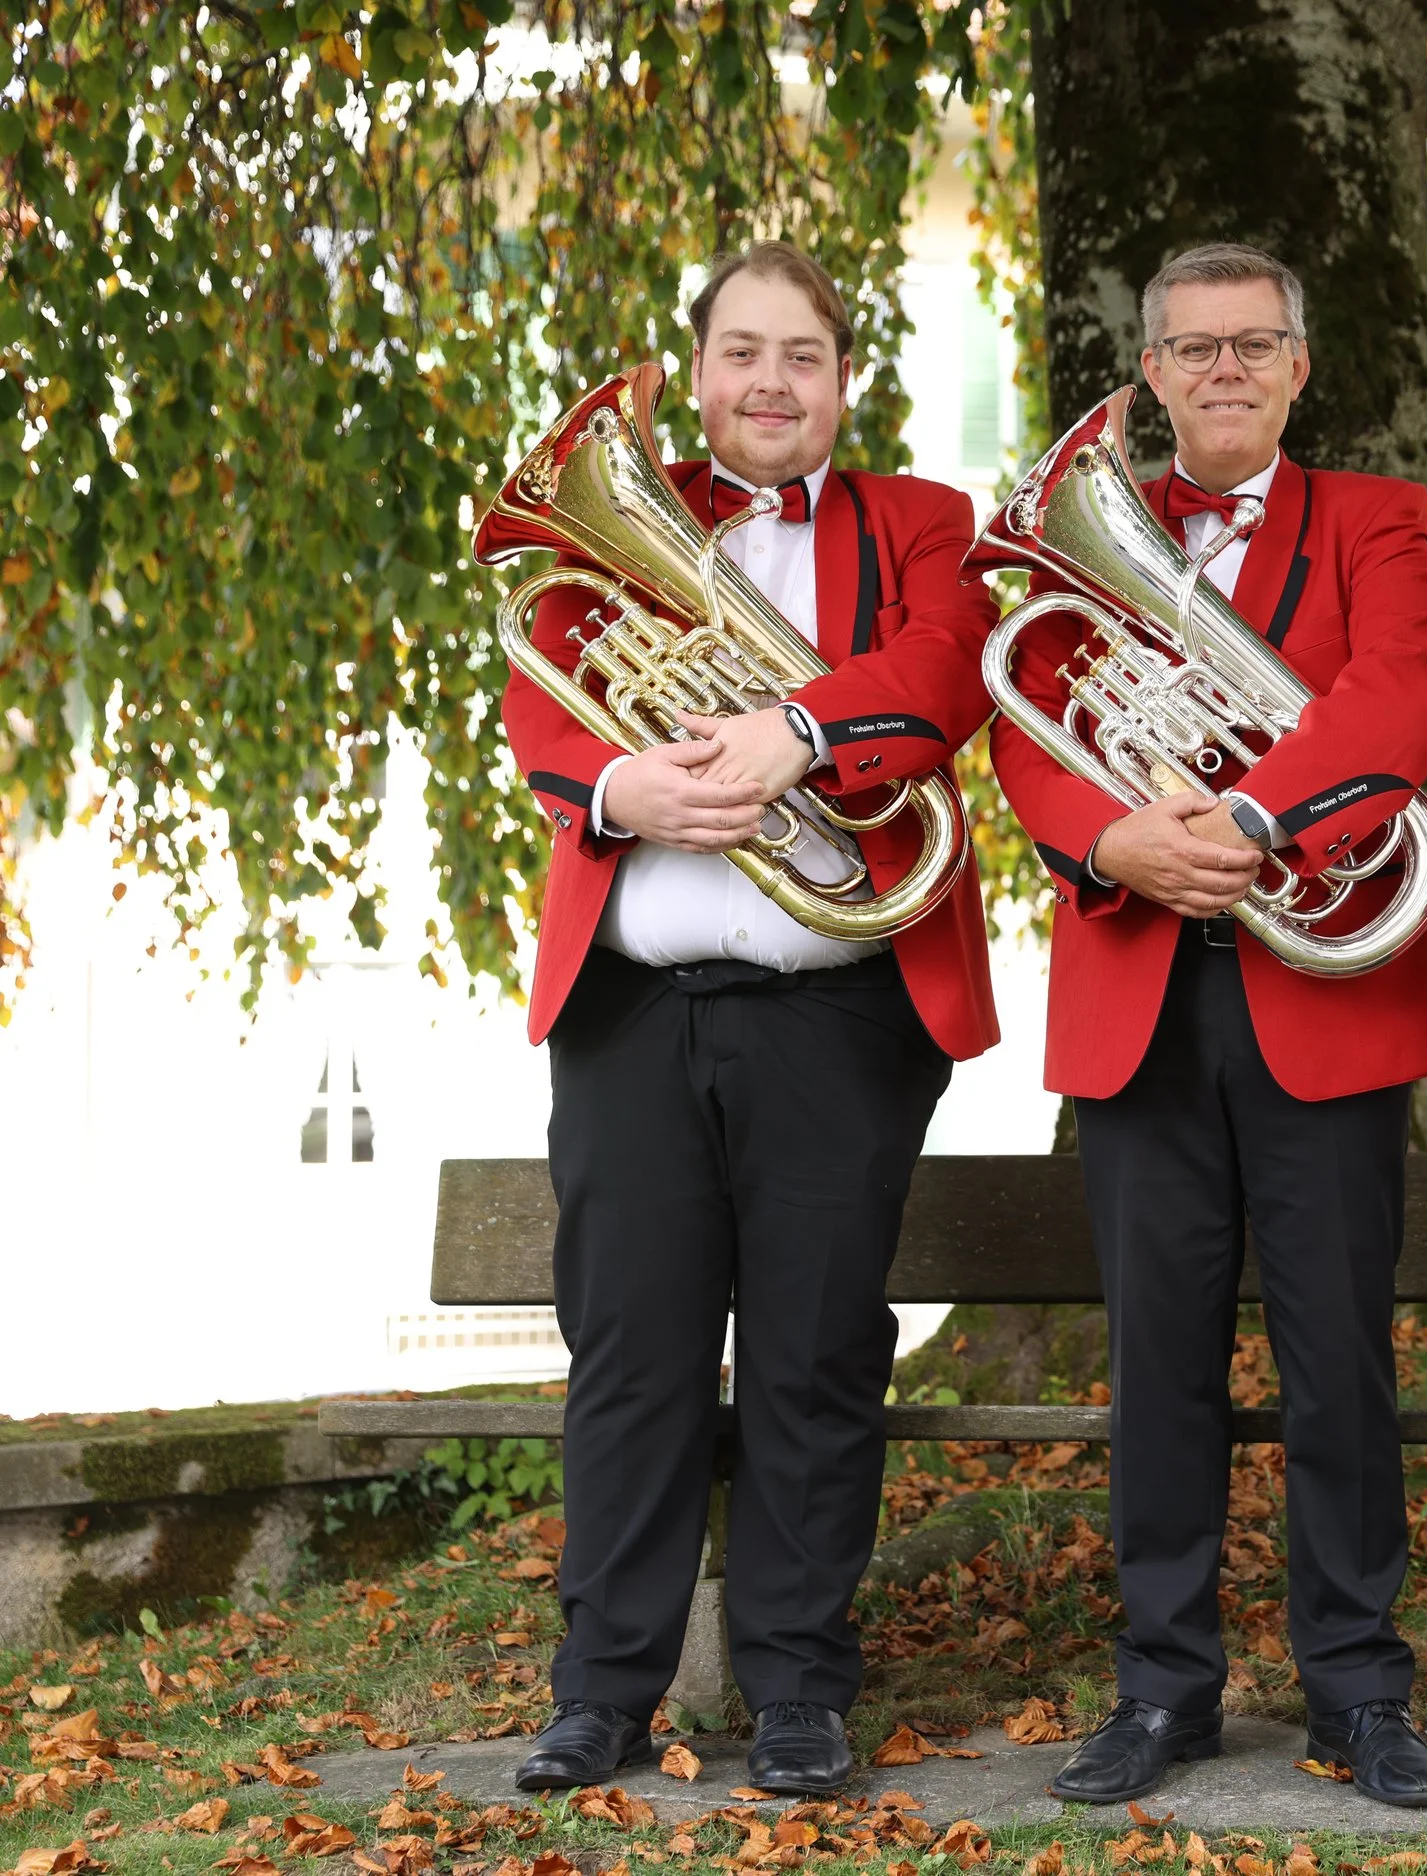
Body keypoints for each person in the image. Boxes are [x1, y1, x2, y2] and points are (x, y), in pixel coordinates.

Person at [500, 240, 1000, 1798]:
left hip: (836, 1015)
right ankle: (604, 1691)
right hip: (633, 1014)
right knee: (632, 1356)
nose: (769, 382)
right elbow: (538, 685)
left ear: (845, 380)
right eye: (740, 352)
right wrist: (615, 784)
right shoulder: (618, 523)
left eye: (802, 355)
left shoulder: (921, 522)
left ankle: (796, 1687)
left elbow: (944, 673)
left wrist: (796, 730)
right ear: (699, 369)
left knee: (816, 1354)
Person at [987, 242, 1427, 1809]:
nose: (1223, 371)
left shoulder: (1375, 522)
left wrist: (1258, 818)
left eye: (1253, 345)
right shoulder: (1091, 540)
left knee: (1340, 1363)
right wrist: (1109, 841)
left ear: (1300, 367)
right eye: (1191, 350)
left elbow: (1397, 693)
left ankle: (1356, 1688)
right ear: (1151, 376)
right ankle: (1164, 1687)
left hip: (1321, 987)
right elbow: (1034, 710)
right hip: (1142, 997)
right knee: (1162, 1367)